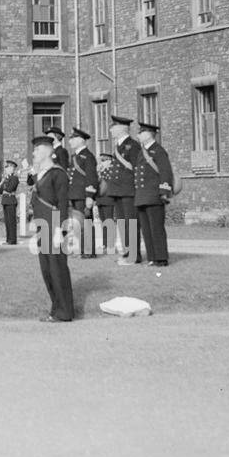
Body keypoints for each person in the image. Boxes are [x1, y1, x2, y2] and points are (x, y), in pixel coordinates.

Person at [30, 135, 74, 323]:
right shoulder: (40, 173)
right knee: (47, 271)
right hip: (42, 226)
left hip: (54, 226)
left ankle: (65, 312)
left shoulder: (58, 173)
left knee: (58, 270)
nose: (34, 153)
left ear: (48, 151)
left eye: (38, 150)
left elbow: (63, 204)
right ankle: (55, 309)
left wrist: (61, 230)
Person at [134, 121, 174, 267]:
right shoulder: (141, 152)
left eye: (141, 132)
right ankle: (152, 256)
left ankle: (161, 258)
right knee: (146, 229)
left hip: (154, 195)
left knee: (156, 228)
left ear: (149, 134)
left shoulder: (158, 151)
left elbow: (165, 172)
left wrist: (164, 192)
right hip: (142, 196)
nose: (138, 135)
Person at [108, 115, 142, 265]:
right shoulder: (118, 146)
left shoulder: (133, 145)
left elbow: (136, 168)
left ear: (121, 128)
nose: (110, 130)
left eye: (113, 127)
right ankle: (127, 252)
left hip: (128, 190)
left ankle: (134, 255)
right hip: (118, 190)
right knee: (122, 223)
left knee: (131, 222)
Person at [67, 128, 100, 259]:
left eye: (73, 138)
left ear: (80, 140)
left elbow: (92, 177)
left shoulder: (88, 156)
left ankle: (88, 251)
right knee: (77, 224)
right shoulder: (75, 156)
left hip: (83, 195)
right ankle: (82, 249)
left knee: (86, 223)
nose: (70, 141)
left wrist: (90, 196)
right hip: (74, 194)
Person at [0, 159, 21, 246]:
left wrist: (3, 187)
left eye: (8, 167)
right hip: (5, 201)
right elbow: (0, 190)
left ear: (12, 168)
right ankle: (8, 239)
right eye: (6, 167)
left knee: (11, 222)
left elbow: (9, 189)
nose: (6, 169)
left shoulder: (14, 178)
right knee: (7, 222)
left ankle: (13, 240)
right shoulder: (6, 178)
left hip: (11, 200)